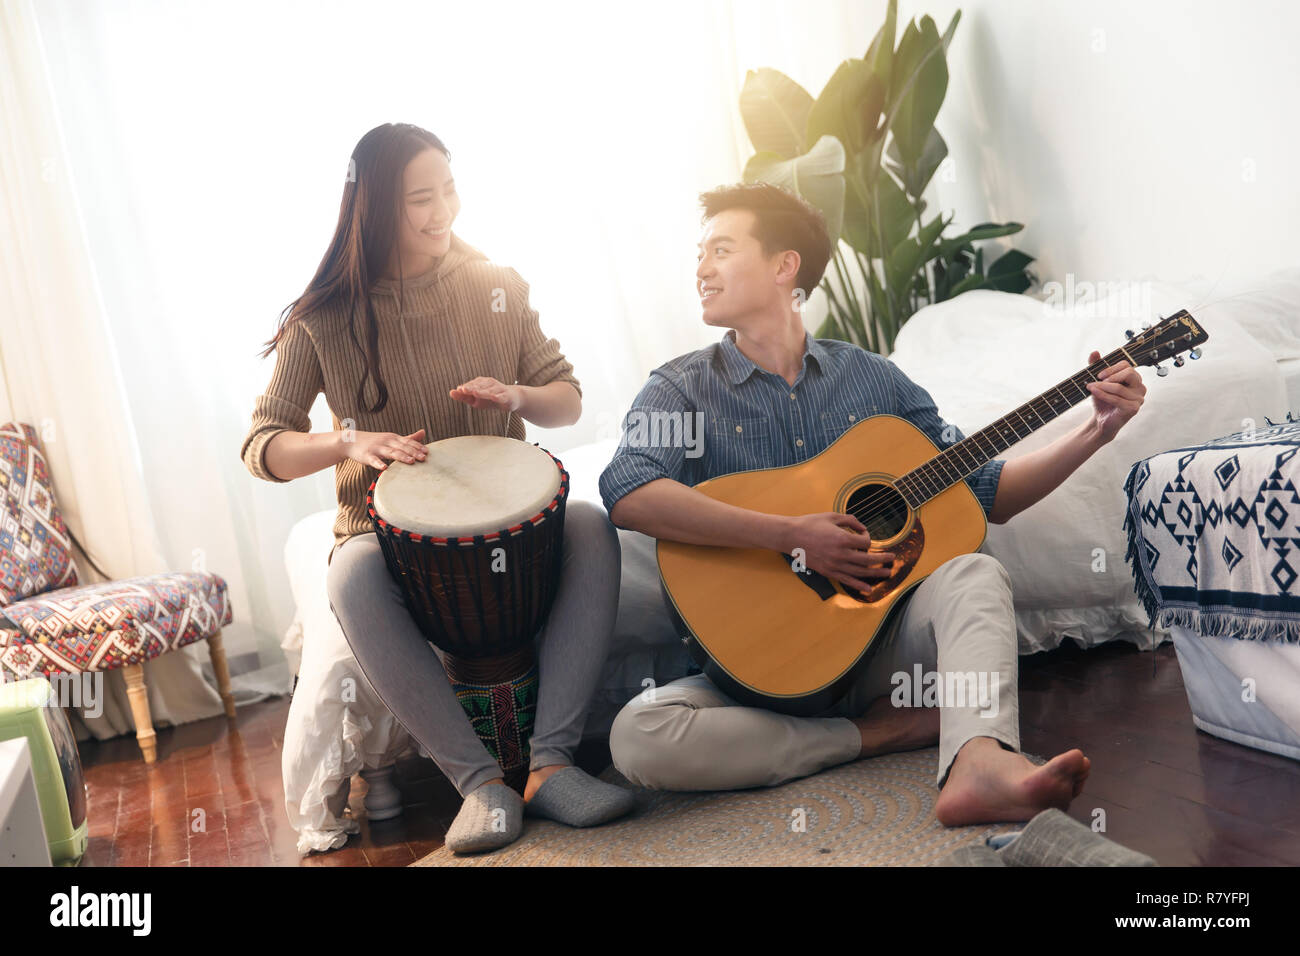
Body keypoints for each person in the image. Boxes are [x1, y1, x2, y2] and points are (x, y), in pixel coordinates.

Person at [601, 182, 1146, 825]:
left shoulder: (875, 379)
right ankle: (881, 735)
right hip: (750, 677)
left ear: (784, 266)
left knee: (975, 569)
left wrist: (1097, 430)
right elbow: (628, 490)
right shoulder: (679, 388)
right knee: (637, 735)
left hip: (877, 652)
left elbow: (987, 493)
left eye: (721, 249)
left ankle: (982, 761)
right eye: (700, 253)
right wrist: (790, 535)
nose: (700, 268)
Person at [240, 122, 633, 854]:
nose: (443, 209)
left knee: (589, 525)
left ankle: (550, 764)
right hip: (389, 537)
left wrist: (516, 396)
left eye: (449, 188)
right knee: (351, 574)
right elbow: (264, 446)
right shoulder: (323, 318)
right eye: (422, 197)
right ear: (376, 208)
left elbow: (568, 398)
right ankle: (478, 784)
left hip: (512, 533)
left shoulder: (496, 285)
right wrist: (348, 441)